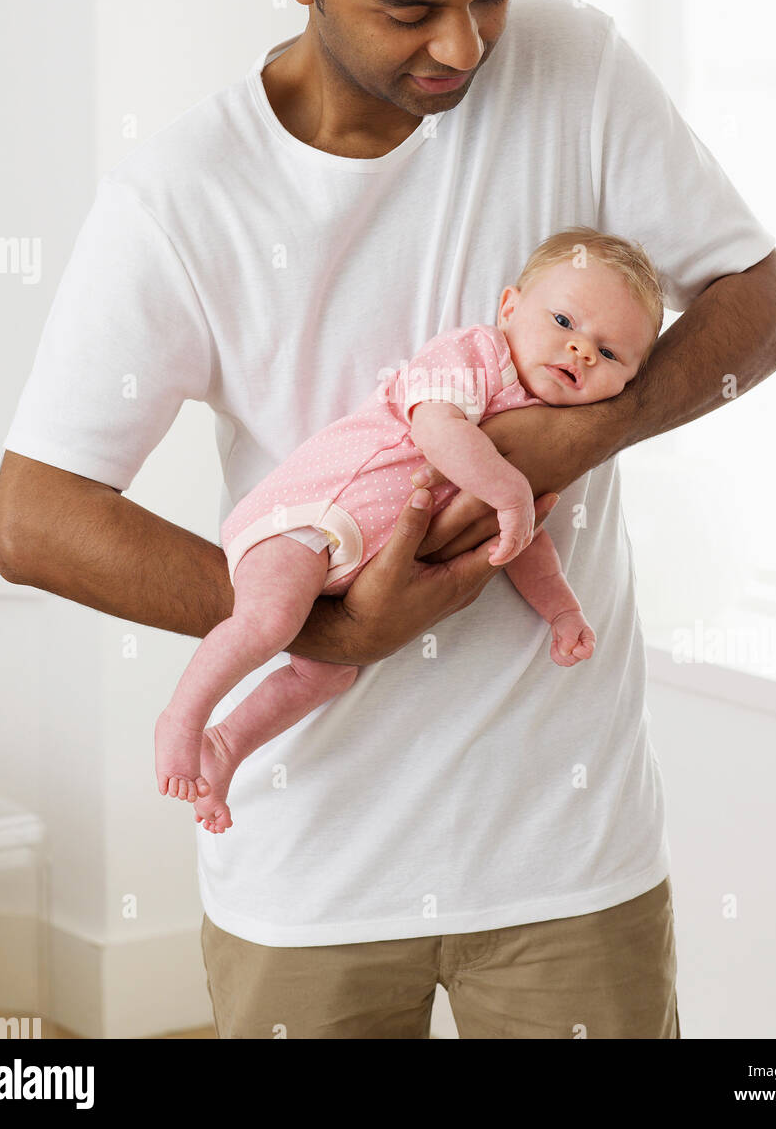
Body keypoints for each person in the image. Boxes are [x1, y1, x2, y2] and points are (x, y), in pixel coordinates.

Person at [0, 0, 776, 1039]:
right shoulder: (180, 197)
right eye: (413, 7)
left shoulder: (577, 66)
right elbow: (31, 517)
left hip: (568, 859)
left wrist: (567, 435)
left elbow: (769, 306)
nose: (467, 44)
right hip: (307, 880)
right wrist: (315, 625)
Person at [155, 229, 664, 835]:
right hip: (309, 520)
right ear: (509, 307)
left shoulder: (544, 431)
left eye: (610, 355)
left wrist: (561, 610)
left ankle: (226, 745)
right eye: (563, 320)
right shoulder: (477, 356)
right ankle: (182, 720)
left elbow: (515, 537)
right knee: (268, 622)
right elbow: (437, 429)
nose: (581, 350)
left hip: (344, 565)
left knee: (329, 672)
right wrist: (511, 493)